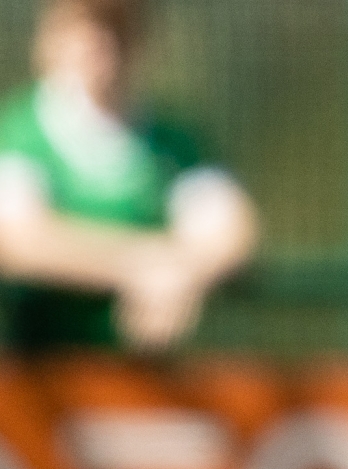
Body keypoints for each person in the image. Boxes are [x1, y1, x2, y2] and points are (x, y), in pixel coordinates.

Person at [0, 0, 257, 353]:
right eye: (82, 28)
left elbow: (231, 234)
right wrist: (142, 267)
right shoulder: (19, 132)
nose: (97, 45)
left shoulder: (174, 142)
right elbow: (19, 240)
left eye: (114, 31)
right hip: (40, 381)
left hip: (145, 383)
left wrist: (179, 278)